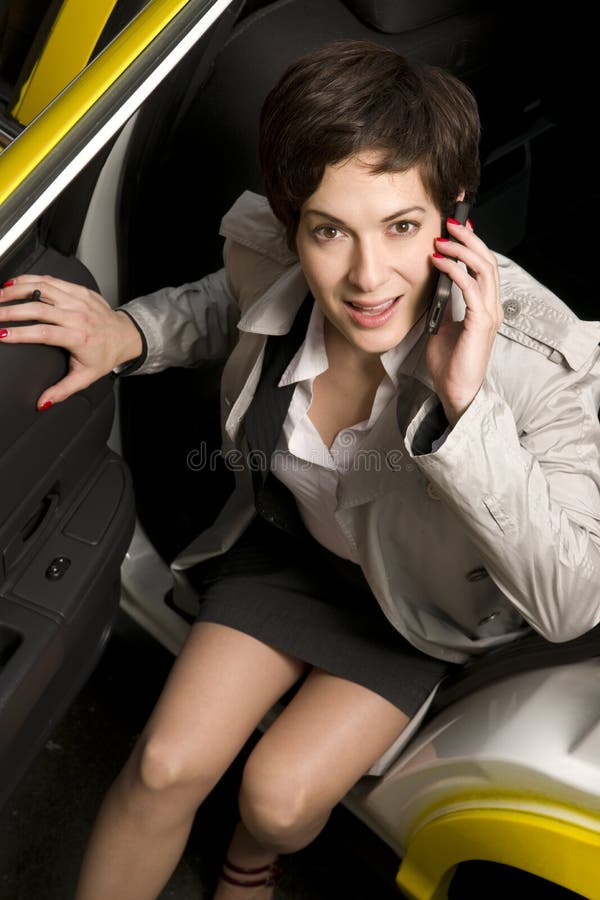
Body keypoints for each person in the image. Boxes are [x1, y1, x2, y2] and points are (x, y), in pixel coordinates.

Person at [1, 38, 600, 900]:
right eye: (328, 230)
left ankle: (253, 856)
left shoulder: (542, 359)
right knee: (165, 766)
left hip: (418, 607)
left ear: (453, 219)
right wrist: (128, 335)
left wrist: (471, 411)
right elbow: (226, 302)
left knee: (278, 799)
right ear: (294, 224)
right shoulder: (276, 255)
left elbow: (571, 599)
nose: (365, 277)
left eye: (401, 226)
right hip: (290, 548)